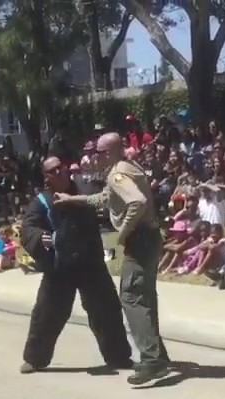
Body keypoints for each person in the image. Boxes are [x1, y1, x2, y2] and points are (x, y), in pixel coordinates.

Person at [55, 132, 169, 385]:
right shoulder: (126, 167)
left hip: (139, 238)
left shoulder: (118, 174)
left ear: (110, 152)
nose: (94, 156)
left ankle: (152, 360)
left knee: (131, 297)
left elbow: (137, 202)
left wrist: (124, 231)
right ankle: (158, 355)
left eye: (98, 152)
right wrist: (73, 199)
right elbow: (105, 198)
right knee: (144, 297)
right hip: (150, 236)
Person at [18, 156, 133, 373]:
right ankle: (35, 359)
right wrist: (39, 236)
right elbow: (27, 228)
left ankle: (119, 357)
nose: (60, 171)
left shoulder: (86, 189)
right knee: (47, 314)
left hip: (91, 262)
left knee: (107, 311)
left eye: (61, 166)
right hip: (60, 267)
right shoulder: (42, 201)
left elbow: (107, 201)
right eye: (54, 170)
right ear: (47, 177)